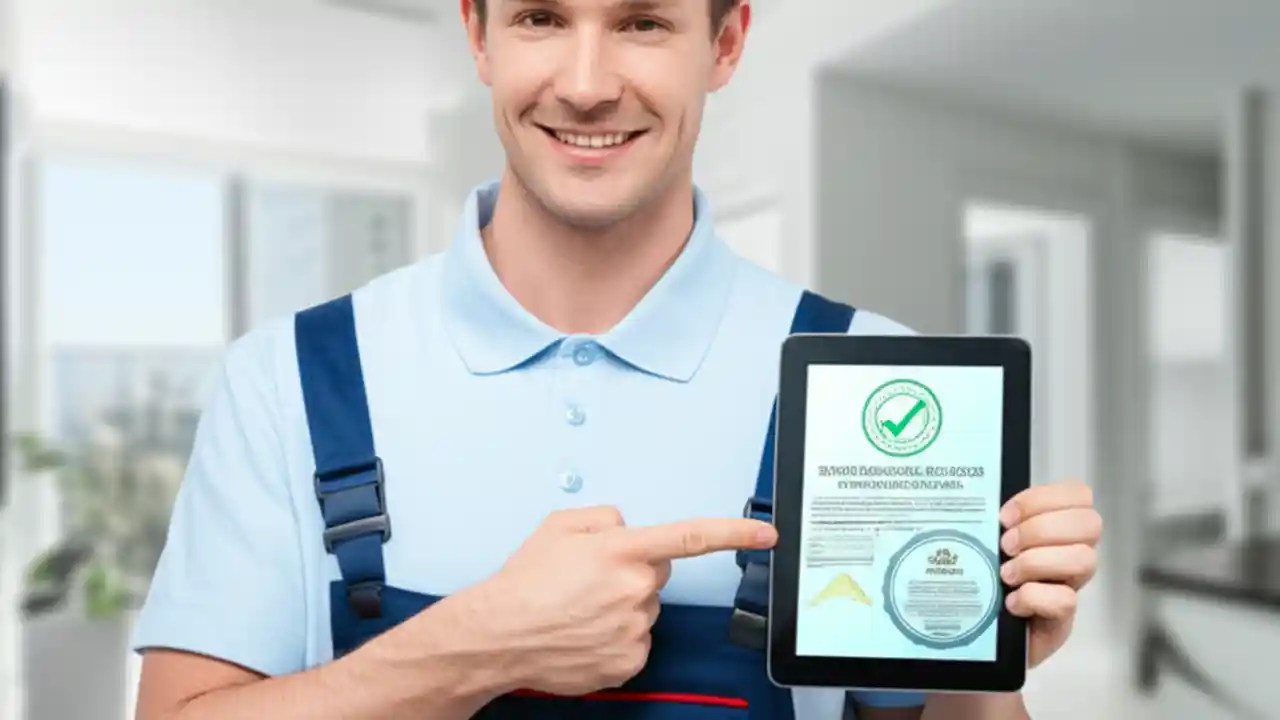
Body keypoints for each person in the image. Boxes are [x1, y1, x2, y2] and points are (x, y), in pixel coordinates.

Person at [132, 1, 1103, 718]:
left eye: (641, 21)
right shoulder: (291, 379)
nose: (588, 82)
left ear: (722, 44)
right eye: (541, 18)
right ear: (477, 34)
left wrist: (974, 662)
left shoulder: (876, 380)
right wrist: (476, 646)